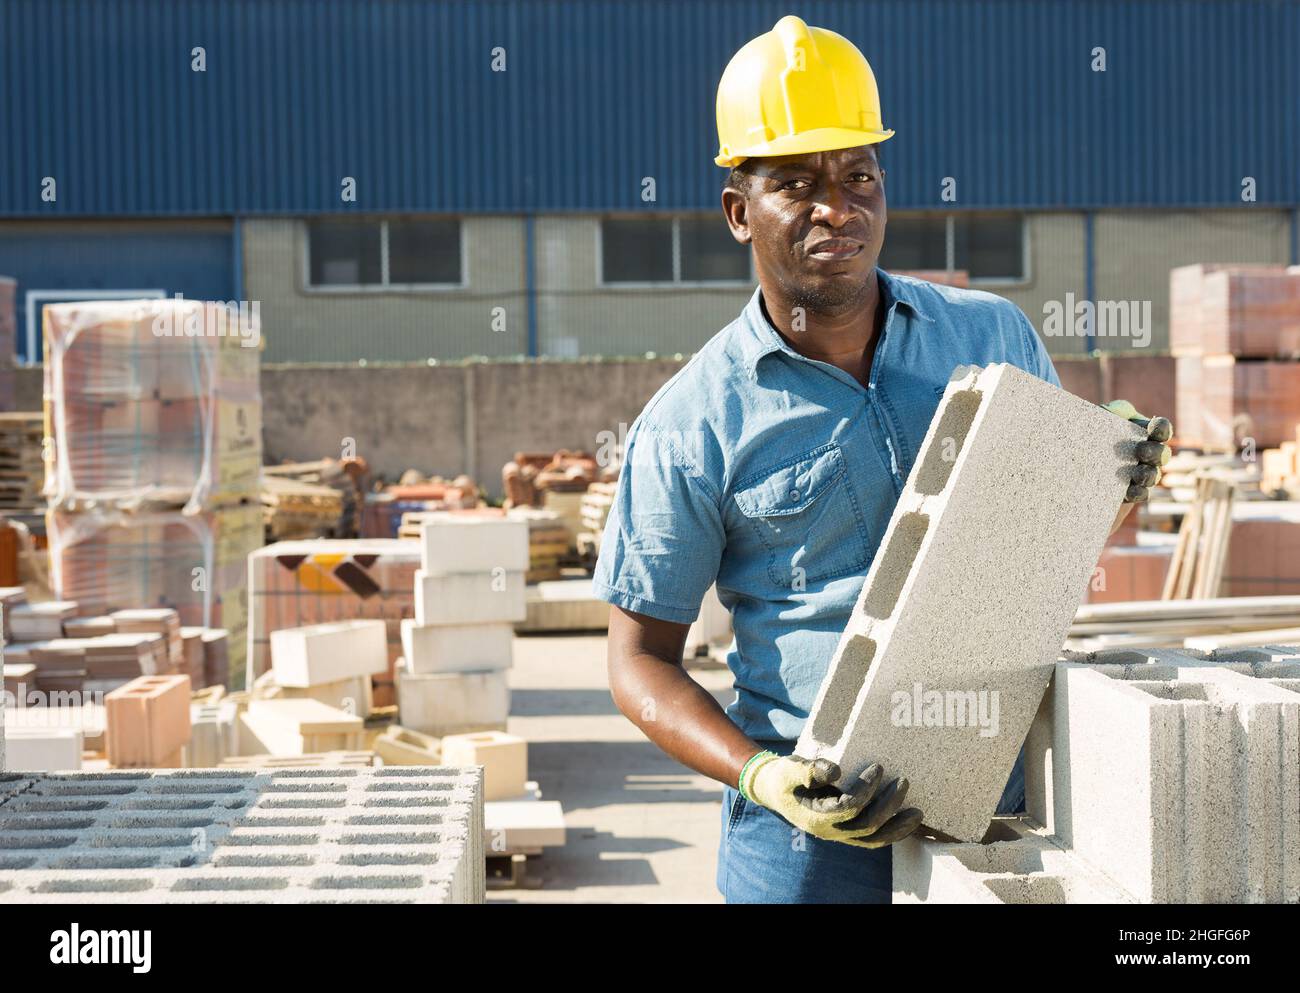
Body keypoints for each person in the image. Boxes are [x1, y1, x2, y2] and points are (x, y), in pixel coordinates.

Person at [593, 15, 1171, 904]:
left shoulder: (990, 336)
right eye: (797, 184)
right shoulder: (690, 421)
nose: (838, 207)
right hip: (808, 844)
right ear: (739, 212)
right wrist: (763, 778)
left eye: (858, 175)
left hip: (997, 806)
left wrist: (1110, 476)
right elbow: (641, 662)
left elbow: (1035, 548)